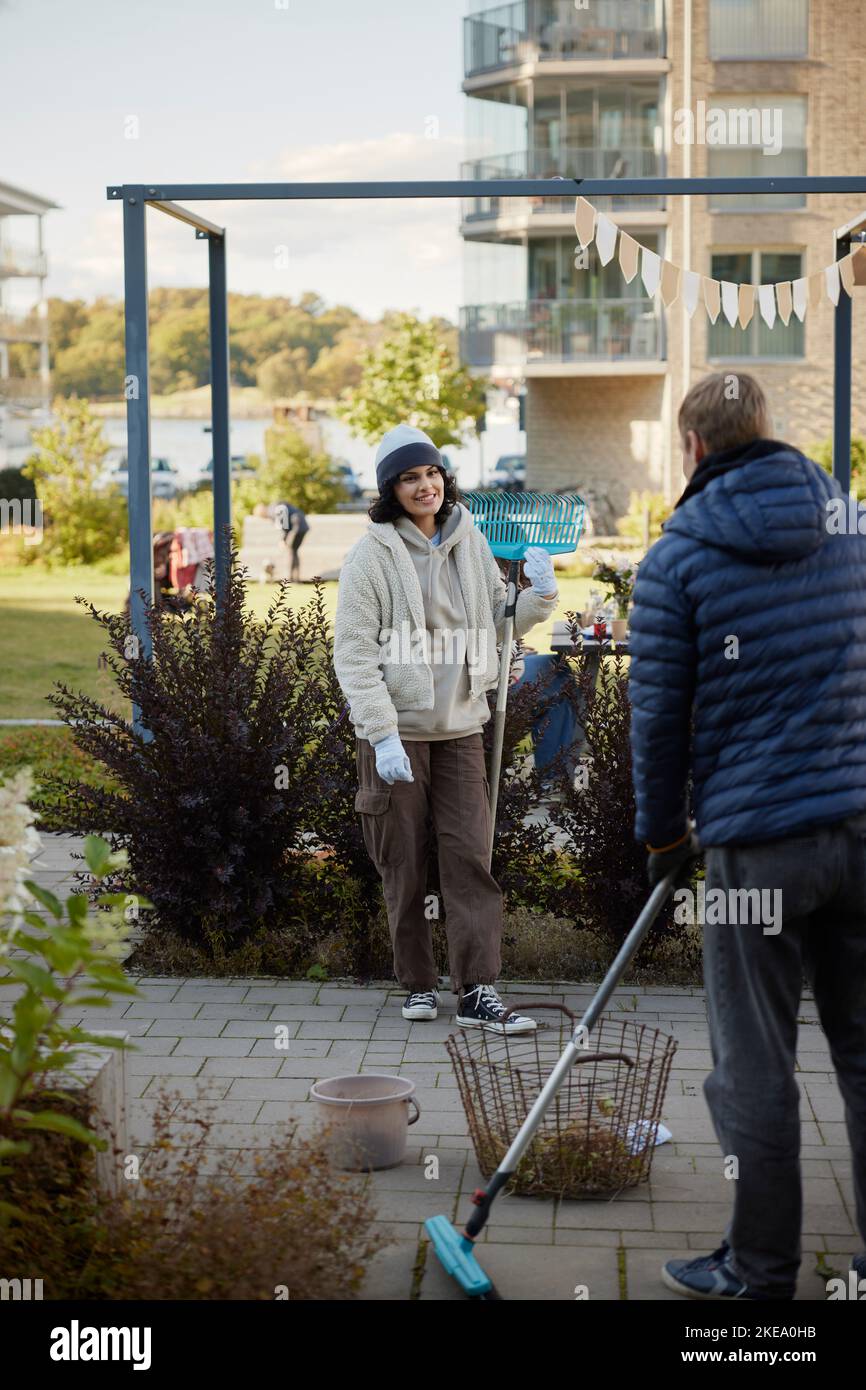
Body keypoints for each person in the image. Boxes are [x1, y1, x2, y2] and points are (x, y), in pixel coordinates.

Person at [628, 371, 866, 1300]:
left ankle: (760, 1272)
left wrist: (660, 842)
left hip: (759, 846)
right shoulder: (850, 529)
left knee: (755, 1066)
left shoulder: (678, 559)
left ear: (692, 448)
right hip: (859, 829)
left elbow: (658, 721)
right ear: (769, 431)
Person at [333, 423, 559, 1032]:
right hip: (397, 736)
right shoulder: (371, 557)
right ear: (391, 490)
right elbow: (353, 653)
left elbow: (498, 618)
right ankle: (416, 985)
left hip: (462, 726)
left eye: (431, 473)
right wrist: (380, 734)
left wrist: (539, 596)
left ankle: (477, 988)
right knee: (403, 864)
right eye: (410, 477)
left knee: (469, 860)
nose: (425, 485)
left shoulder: (471, 540)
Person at [273, 500, 309, 582]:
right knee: (294, 551)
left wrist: (283, 540)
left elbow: (285, 526)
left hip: (298, 528)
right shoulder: (289, 508)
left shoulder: (281, 509)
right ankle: (295, 577)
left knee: (292, 551)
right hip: (302, 527)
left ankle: (292, 578)